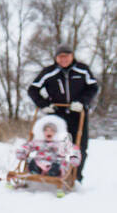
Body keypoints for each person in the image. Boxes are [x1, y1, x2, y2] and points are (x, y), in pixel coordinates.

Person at [27, 44, 99, 181]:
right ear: (56, 58)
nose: (64, 59)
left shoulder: (82, 70)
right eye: (60, 56)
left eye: (66, 56)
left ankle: (75, 176)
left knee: (79, 146)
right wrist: (44, 105)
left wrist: (82, 102)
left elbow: (93, 87)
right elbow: (32, 89)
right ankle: (51, 171)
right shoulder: (48, 71)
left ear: (72, 56)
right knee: (54, 145)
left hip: (78, 113)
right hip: (56, 114)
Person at [14, 114, 81, 179]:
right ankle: (35, 171)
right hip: (40, 162)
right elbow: (27, 146)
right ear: (43, 132)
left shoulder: (61, 143)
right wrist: (21, 152)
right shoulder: (38, 142)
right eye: (46, 130)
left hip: (56, 163)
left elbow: (73, 149)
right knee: (32, 161)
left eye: (52, 130)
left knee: (58, 166)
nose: (49, 132)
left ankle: (53, 173)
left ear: (57, 133)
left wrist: (74, 158)